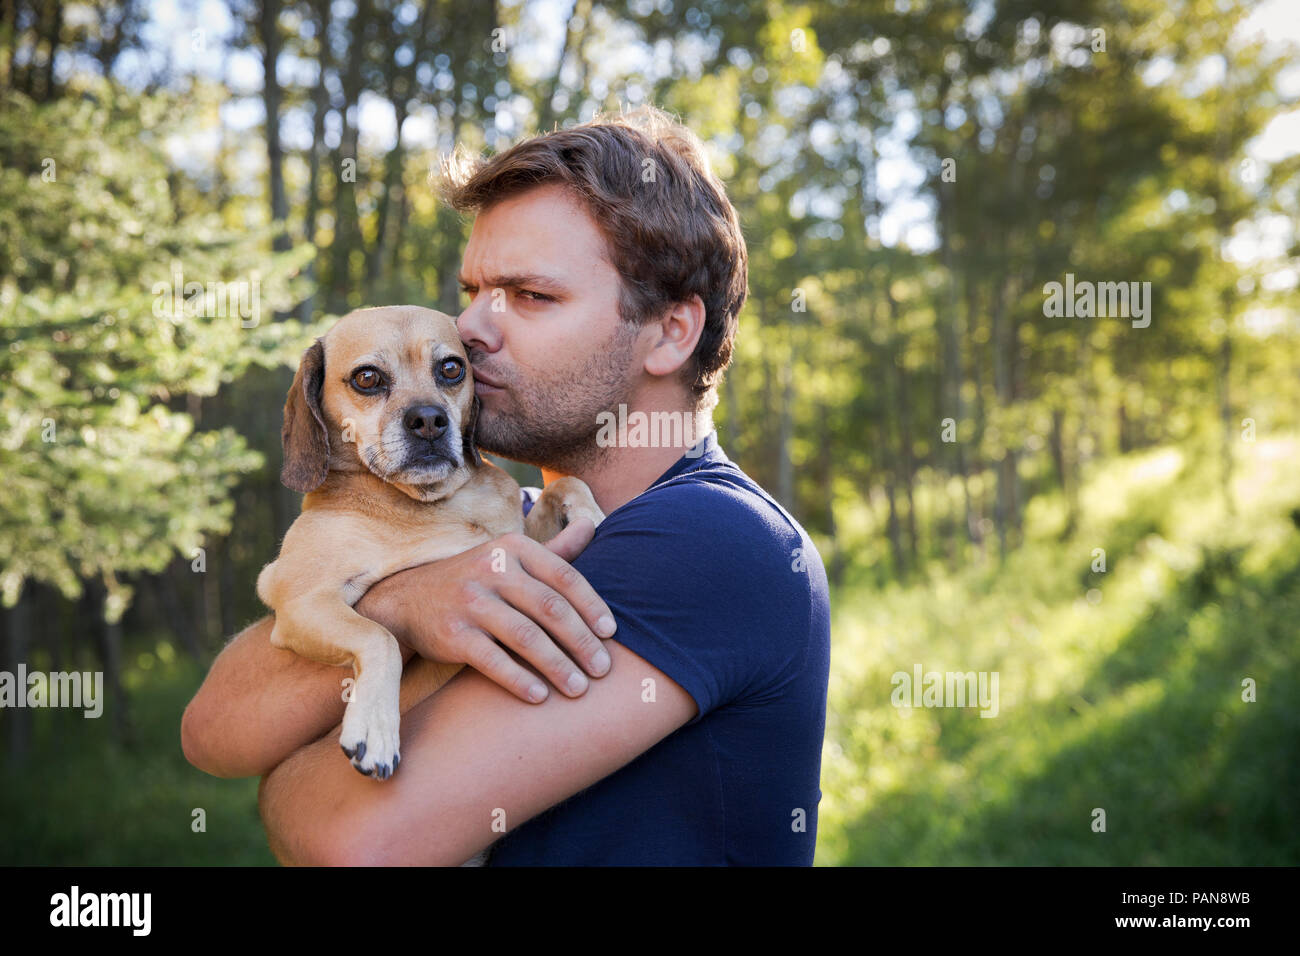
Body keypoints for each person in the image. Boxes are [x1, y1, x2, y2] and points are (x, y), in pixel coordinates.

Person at [181, 106, 831, 866]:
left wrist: (288, 774)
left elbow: (349, 839)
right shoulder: (500, 528)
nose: (472, 328)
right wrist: (401, 608)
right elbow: (211, 731)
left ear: (670, 333)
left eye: (529, 296)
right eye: (474, 289)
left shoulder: (715, 540)